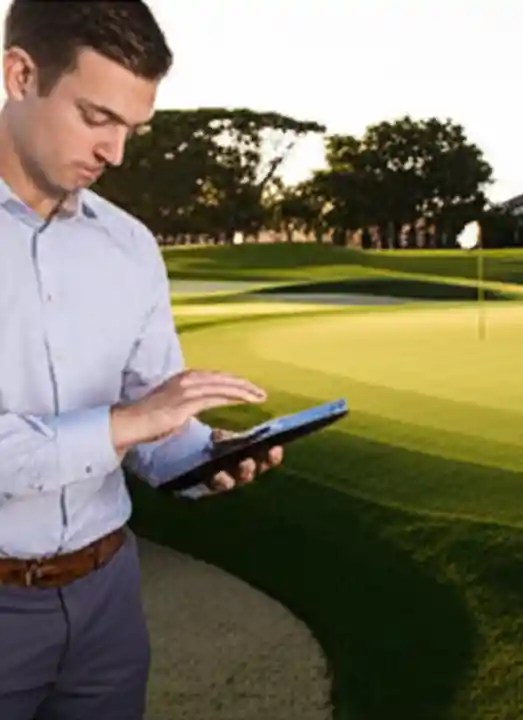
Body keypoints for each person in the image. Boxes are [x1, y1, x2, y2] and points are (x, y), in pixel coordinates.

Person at [0, 2, 283, 718]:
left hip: (108, 604)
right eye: (97, 117)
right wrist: (133, 420)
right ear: (19, 73)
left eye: (131, 128)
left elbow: (151, 426)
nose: (116, 153)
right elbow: (129, 417)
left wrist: (201, 456)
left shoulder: (130, 247)